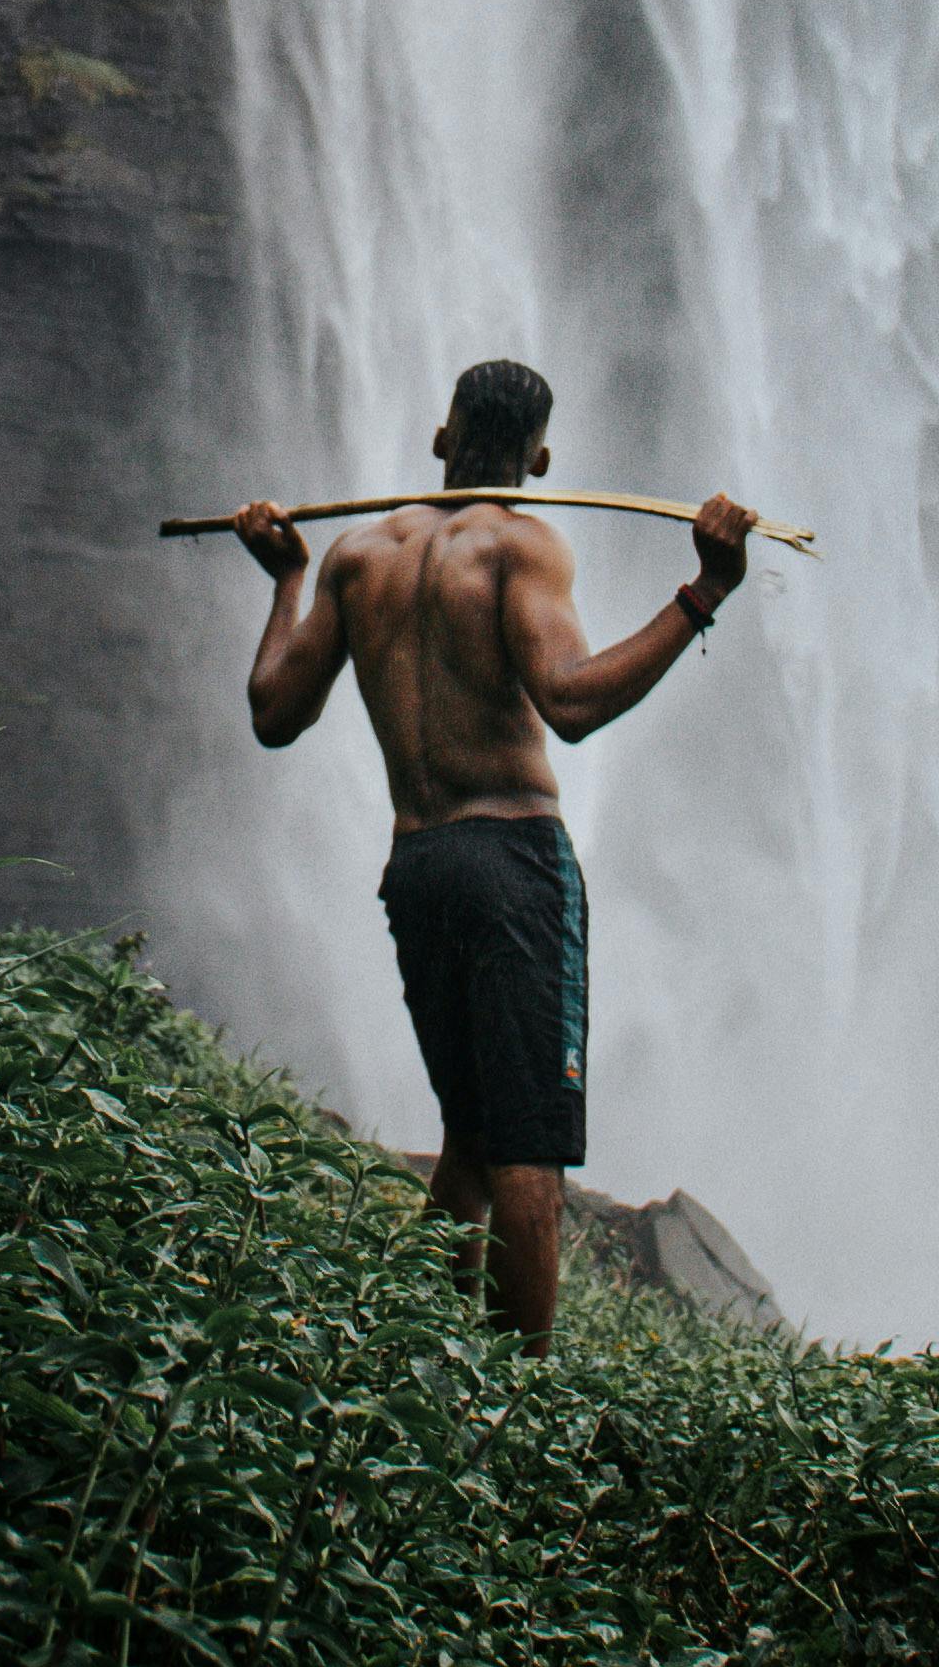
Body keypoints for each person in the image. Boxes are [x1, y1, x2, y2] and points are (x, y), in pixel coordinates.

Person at [227, 358, 755, 1349]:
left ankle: (416, 1362)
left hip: (418, 867)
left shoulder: (354, 556)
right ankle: (517, 1414)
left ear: (440, 439)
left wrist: (287, 578)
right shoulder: (522, 546)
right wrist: (703, 592)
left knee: (469, 1141)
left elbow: (273, 713)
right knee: (526, 1161)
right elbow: (572, 700)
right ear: (541, 459)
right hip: (512, 860)